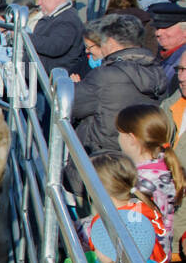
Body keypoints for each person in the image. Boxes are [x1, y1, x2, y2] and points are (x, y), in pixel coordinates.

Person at [66, 14, 169, 194]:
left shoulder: (104, 76)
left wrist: (74, 87)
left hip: (102, 164)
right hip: (139, 162)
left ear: (112, 42)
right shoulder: (157, 71)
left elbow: (71, 106)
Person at [116, 104, 185, 262]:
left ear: (131, 139)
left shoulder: (139, 182)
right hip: (160, 258)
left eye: (119, 133)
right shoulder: (165, 167)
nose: (117, 139)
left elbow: (130, 225)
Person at [31, 0, 87, 87]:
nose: (38, 3)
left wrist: (23, 37)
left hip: (52, 81)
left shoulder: (68, 19)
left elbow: (54, 46)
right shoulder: (55, 16)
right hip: (42, 78)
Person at [149, 3, 186, 96]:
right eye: (157, 28)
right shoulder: (163, 55)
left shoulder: (180, 60)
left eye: (165, 28)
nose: (158, 33)